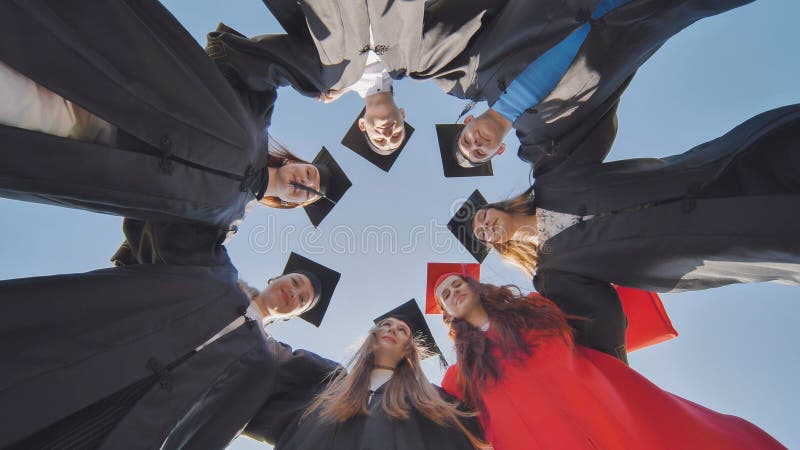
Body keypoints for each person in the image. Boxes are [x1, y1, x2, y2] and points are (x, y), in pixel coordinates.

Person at [0, 0, 349, 229]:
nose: (305, 183)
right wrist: (313, 76)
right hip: (112, 80)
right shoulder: (256, 117)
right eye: (309, 173)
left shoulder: (222, 221)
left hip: (83, 143)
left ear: (290, 203)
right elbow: (237, 59)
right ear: (293, 162)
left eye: (307, 193)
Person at [0, 218, 341, 449]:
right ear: (275, 279)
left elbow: (333, 383)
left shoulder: (271, 360)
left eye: (302, 300)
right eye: (294, 283)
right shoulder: (215, 277)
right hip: (91, 366)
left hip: (138, 420)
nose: (294, 293)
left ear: (294, 316)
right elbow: (171, 230)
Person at [447, 104, 800, 306]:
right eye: (481, 234)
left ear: (497, 207)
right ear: (496, 245)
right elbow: (599, 321)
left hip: (706, 172)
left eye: (482, 217)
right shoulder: (553, 274)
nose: (484, 226)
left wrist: (514, 117)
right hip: (707, 246)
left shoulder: (552, 176)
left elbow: (585, 119)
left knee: (780, 150)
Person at [430, 271, 787, 450]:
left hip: (603, 406)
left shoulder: (535, 309)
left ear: (475, 286)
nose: (453, 292)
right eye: (445, 295)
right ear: (446, 312)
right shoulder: (459, 377)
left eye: (457, 284)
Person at [431, 0, 752, 169]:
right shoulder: (544, 138)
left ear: (468, 122)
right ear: (498, 151)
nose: (476, 144)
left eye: (466, 141)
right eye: (480, 153)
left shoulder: (471, 75)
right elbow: (582, 161)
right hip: (634, 18)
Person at [206, 0, 505, 168]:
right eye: (396, 137)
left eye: (380, 140)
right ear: (403, 114)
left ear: (363, 125)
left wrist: (325, 84)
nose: (388, 136)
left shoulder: (327, 78)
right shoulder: (416, 62)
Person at [243, 300, 488, 450]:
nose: (391, 329)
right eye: (386, 325)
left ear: (408, 350)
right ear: (370, 340)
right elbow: (268, 359)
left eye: (401, 330)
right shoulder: (326, 382)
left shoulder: (432, 399)